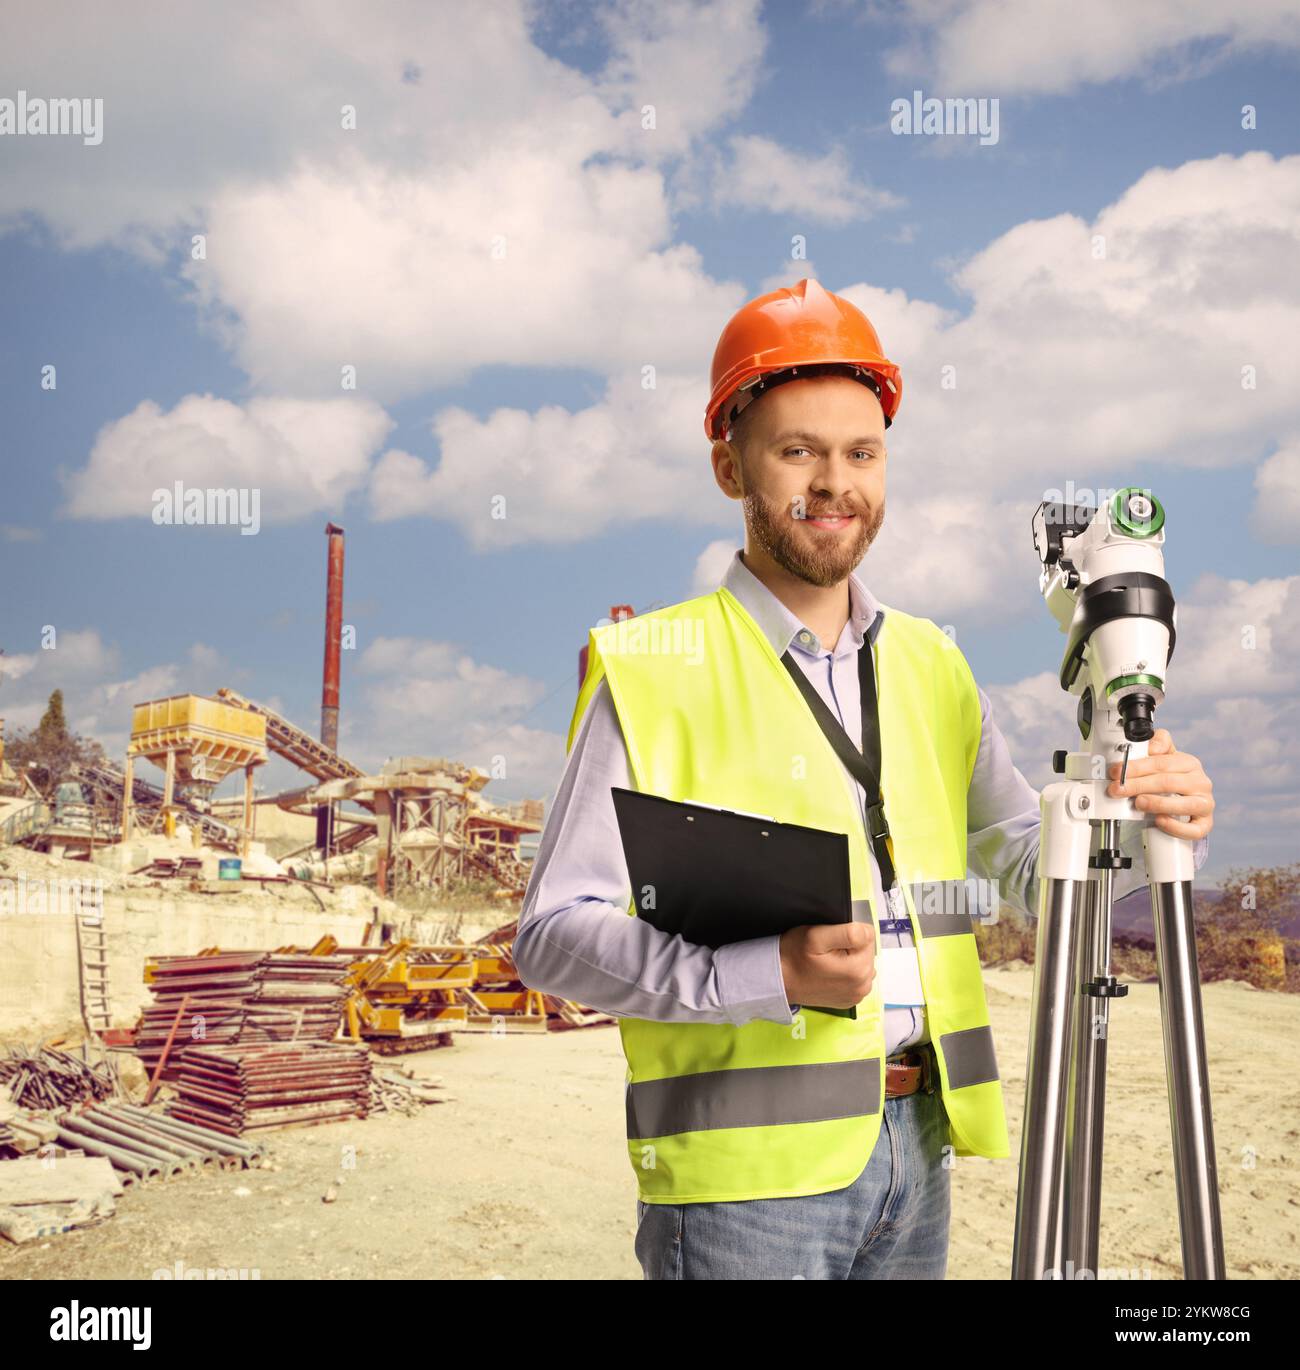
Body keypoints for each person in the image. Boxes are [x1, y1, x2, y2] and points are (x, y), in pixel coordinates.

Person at [515, 279, 1215, 1280]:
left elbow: (1030, 869)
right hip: (741, 1187)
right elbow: (551, 934)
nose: (834, 481)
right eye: (797, 450)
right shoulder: (648, 662)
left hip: (918, 1151)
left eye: (861, 452)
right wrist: (766, 974)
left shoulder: (933, 662)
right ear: (730, 466)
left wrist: (1153, 824)